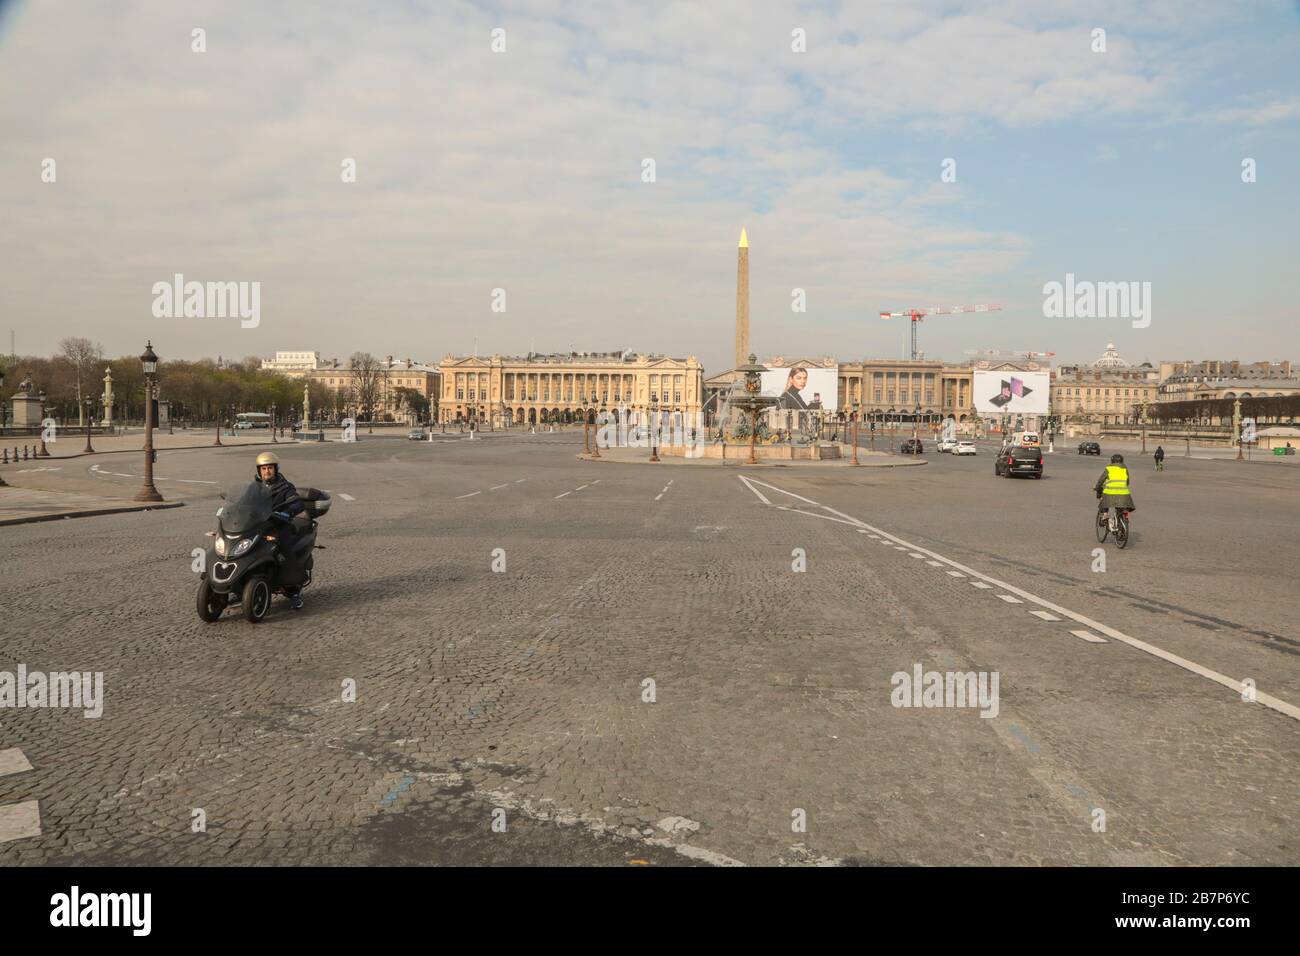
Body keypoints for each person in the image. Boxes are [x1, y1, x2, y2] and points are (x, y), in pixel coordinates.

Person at [253, 451, 306, 609]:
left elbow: (297, 503)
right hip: (257, 527)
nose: (266, 471)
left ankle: (293, 591)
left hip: (279, 526)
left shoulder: (285, 487)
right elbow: (243, 502)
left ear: (275, 469)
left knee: (284, 554)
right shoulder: (254, 488)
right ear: (259, 471)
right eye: (263, 469)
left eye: (269, 468)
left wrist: (288, 512)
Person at [1094, 453, 1136, 531]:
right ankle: (1122, 525)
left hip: (1110, 493)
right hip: (1124, 494)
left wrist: (1097, 488)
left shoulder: (1109, 468)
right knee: (1121, 509)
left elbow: (1101, 480)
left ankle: (1105, 515)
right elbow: (1127, 482)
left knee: (1103, 503)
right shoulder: (1125, 469)